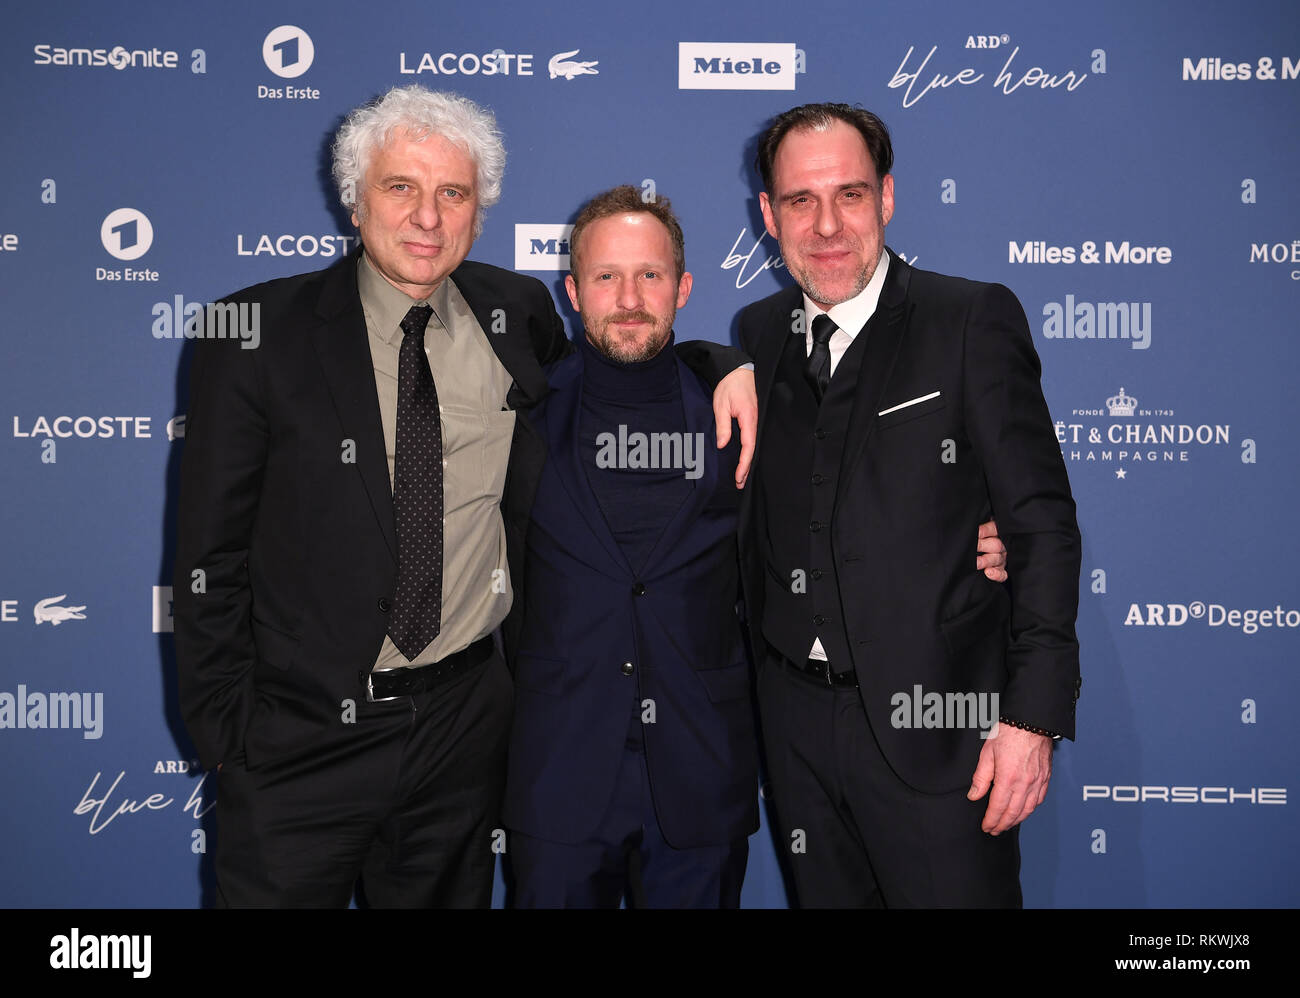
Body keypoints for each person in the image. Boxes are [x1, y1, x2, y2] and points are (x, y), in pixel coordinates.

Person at [172, 86, 753, 908]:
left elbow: (624, 345)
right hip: (301, 737)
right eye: (400, 187)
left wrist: (719, 362)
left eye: (454, 193)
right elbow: (207, 557)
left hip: (463, 735)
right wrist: (229, 735)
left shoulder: (512, 316)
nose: (427, 217)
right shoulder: (256, 335)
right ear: (355, 201)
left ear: (479, 213)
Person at [737, 102, 1082, 908]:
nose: (825, 225)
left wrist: (1032, 722)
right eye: (799, 201)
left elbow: (1041, 528)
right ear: (768, 214)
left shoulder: (969, 320)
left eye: (849, 196)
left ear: (887, 199)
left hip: (946, 737)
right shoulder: (756, 335)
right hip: (796, 737)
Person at [502, 187, 756, 907]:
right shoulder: (521, 413)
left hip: (700, 772)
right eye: (606, 276)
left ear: (683, 287)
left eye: (650, 274)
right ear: (573, 291)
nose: (629, 296)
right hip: (558, 773)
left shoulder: (738, 414)